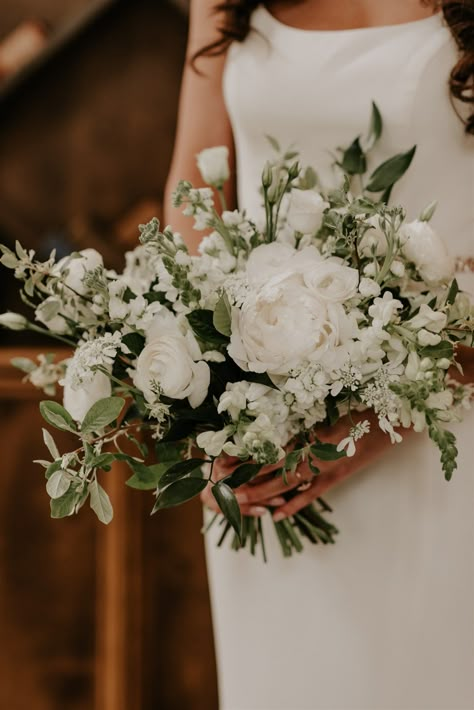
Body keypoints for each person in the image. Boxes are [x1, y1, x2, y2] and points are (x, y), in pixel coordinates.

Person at [165, 1, 474, 708]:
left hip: (447, 422)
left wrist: (385, 410)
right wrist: (196, 385)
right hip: (267, 440)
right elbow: (193, 189)